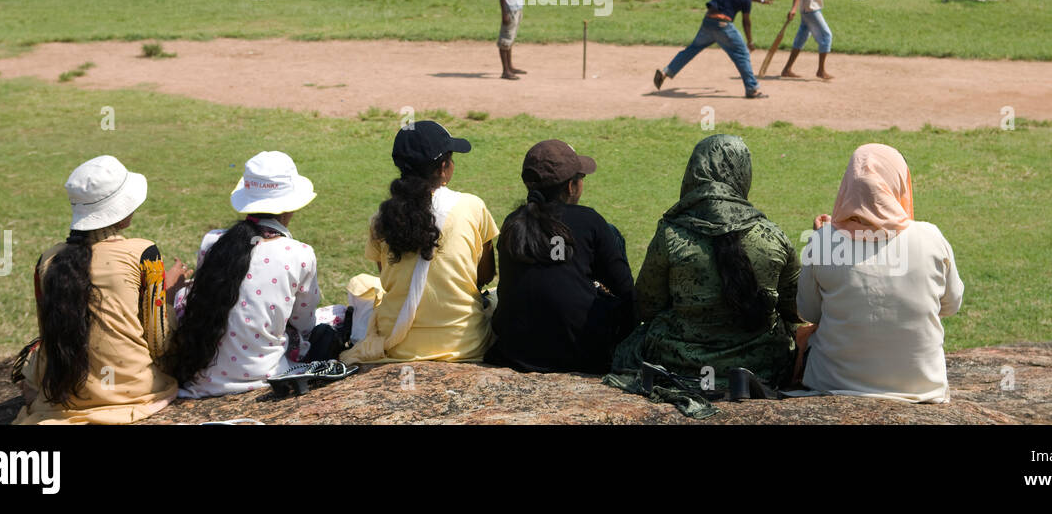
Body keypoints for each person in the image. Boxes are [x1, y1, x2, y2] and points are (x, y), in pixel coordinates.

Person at [608, 134, 802, 398]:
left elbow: (646, 306)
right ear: (743, 173)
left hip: (677, 366)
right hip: (760, 368)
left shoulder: (670, 233)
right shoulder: (773, 236)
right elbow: (795, 310)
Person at [14, 156, 185, 424]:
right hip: (134, 390)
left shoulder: (47, 260)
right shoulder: (143, 253)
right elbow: (158, 342)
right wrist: (169, 296)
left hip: (62, 394)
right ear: (122, 210)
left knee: (31, 356)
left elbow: (48, 334)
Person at [168, 152, 345, 397]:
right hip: (268, 376)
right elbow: (304, 324)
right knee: (332, 323)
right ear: (291, 206)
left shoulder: (212, 242)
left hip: (203, 379)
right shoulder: (299, 254)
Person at [798, 144, 963, 402]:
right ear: (899, 183)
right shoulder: (930, 237)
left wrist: (825, 239)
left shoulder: (822, 242)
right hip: (922, 387)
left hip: (832, 383)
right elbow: (951, 305)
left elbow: (809, 312)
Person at [342, 121, 499, 364]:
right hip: (466, 346)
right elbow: (485, 275)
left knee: (363, 284)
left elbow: (388, 280)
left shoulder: (381, 219)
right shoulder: (472, 206)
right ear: (444, 167)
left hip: (399, 348)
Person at [487, 140, 634, 374]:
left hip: (515, 351)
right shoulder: (589, 221)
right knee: (612, 234)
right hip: (581, 354)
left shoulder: (513, 222)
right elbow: (626, 291)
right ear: (571, 187)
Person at [654, 0, 771, 99]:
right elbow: (746, 22)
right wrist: (750, 41)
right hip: (723, 26)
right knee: (742, 54)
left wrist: (761, 0)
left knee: (692, 49)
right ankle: (752, 89)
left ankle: (665, 72)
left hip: (708, 23)